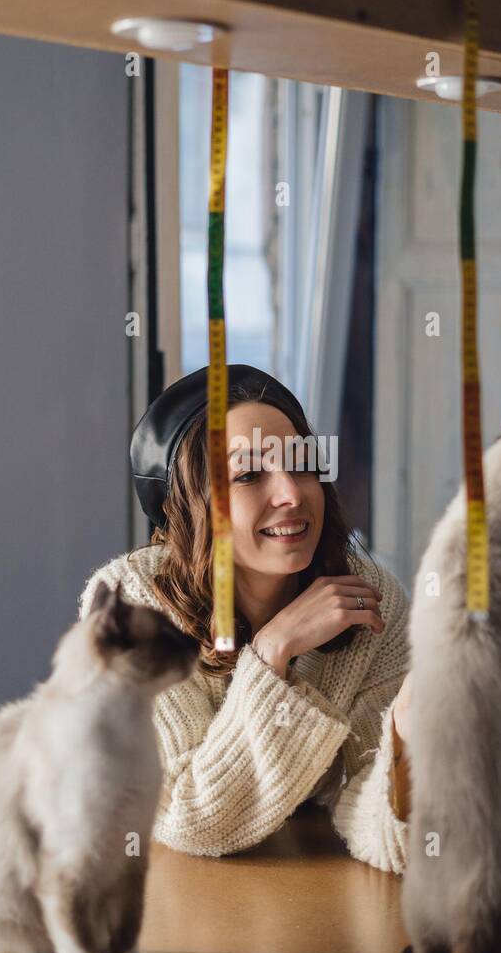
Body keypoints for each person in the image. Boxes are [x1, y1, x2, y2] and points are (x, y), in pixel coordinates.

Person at [78, 364, 413, 874]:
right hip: (145, 894)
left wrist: (410, 736)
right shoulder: (130, 605)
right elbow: (191, 817)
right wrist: (274, 649)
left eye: (301, 466)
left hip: (297, 889)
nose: (292, 495)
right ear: (190, 505)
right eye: (249, 475)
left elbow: (373, 813)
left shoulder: (371, 597)